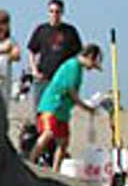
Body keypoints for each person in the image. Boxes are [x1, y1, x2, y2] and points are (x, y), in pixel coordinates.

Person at [29, 43, 103, 171]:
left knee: (63, 142)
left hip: (63, 110)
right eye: (94, 62)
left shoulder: (79, 69)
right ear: (90, 56)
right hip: (52, 106)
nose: (93, 67)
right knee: (48, 133)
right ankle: (30, 162)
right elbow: (71, 92)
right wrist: (86, 107)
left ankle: (56, 170)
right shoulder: (72, 66)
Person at [26, 0, 82, 115]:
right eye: (51, 11)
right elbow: (32, 51)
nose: (54, 14)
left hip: (61, 81)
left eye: (57, 12)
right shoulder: (41, 30)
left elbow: (78, 56)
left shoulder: (70, 32)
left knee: (57, 114)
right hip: (43, 79)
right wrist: (34, 71)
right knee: (40, 113)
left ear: (62, 13)